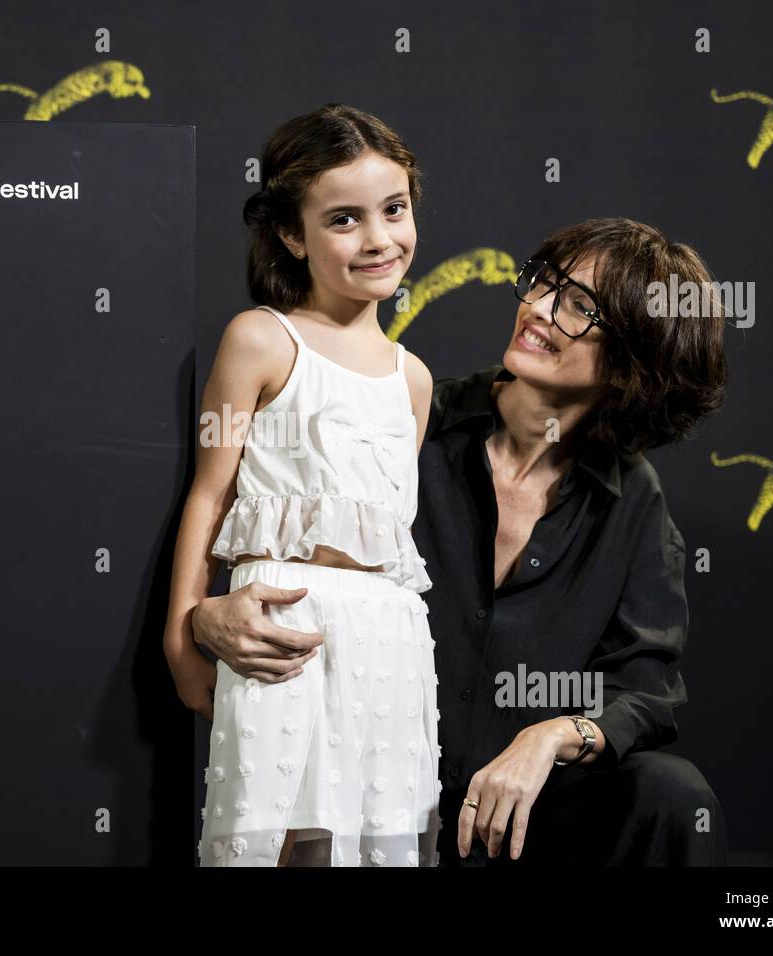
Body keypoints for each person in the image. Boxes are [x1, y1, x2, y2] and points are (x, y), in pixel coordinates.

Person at [192, 217, 732, 866]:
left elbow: (644, 690)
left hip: (521, 832)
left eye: (579, 307)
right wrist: (207, 616)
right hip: (375, 798)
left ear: (633, 365)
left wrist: (552, 735)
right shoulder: (404, 427)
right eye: (544, 284)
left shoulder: (633, 502)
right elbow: (278, 532)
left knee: (671, 793)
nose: (537, 311)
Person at [162, 103, 441, 867]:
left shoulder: (412, 379)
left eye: (394, 209)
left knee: (380, 842)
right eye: (345, 219)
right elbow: (209, 493)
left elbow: (386, 533)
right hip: (283, 637)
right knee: (279, 841)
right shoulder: (260, 339)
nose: (380, 239)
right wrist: (183, 628)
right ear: (293, 234)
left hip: (391, 647)